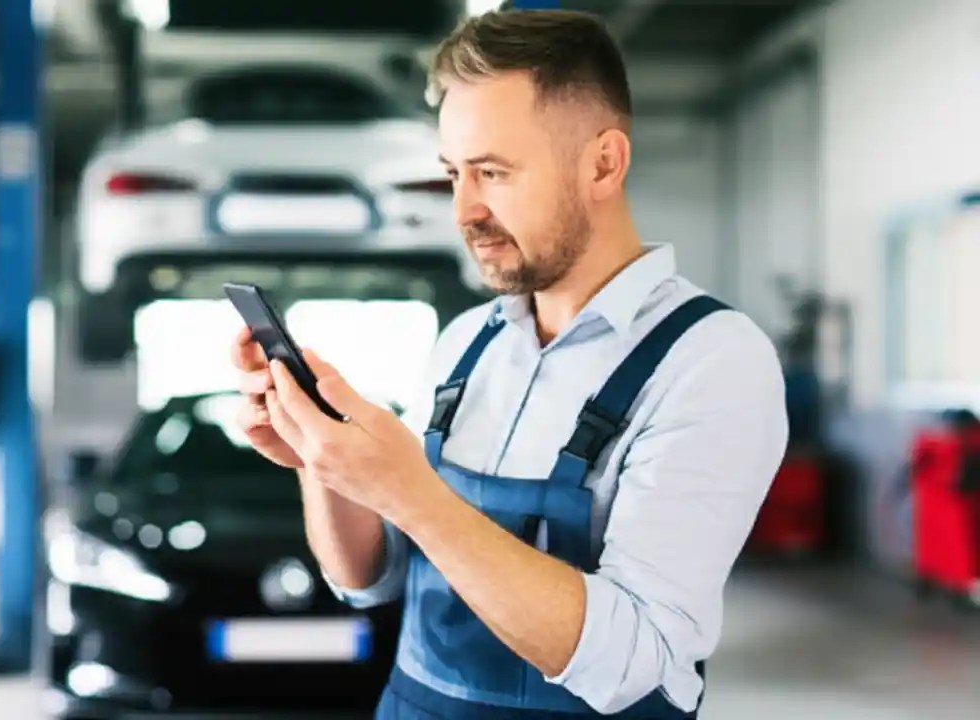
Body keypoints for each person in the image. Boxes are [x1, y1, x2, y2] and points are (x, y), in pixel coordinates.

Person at [231, 9, 787, 719]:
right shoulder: (467, 343)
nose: (464, 210)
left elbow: (628, 661)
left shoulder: (712, 363)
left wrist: (409, 492)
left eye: (492, 172)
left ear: (603, 163)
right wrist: (321, 459)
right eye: (453, 174)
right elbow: (371, 580)